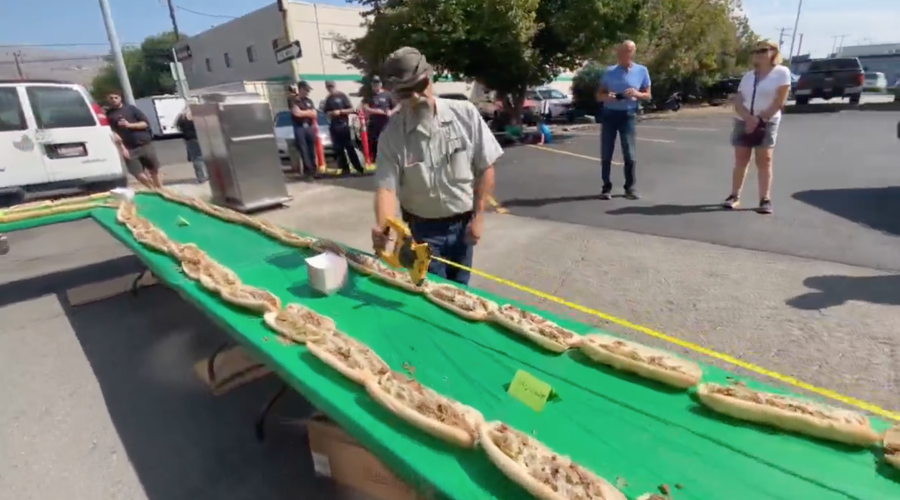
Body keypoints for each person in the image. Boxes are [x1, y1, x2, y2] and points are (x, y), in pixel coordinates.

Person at [370, 47, 502, 286]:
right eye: (406, 92)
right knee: (434, 294)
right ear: (396, 94)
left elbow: (486, 166)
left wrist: (479, 216)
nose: (416, 97)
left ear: (429, 79)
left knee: (462, 292)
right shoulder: (392, 135)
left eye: (419, 87)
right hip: (423, 233)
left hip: (463, 226)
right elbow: (386, 188)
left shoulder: (465, 114)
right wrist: (383, 227)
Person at [724, 40, 791, 215]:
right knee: (741, 159)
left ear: (773, 52)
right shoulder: (748, 76)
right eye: (755, 51)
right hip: (743, 120)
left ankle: (765, 199)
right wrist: (747, 117)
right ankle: (734, 196)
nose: (758, 54)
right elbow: (738, 99)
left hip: (767, 121)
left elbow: (779, 101)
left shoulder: (781, 73)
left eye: (763, 50)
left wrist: (759, 119)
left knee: (764, 160)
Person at [596, 40, 651, 200]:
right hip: (609, 114)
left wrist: (636, 93)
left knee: (629, 153)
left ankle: (630, 188)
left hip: (628, 115)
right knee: (606, 152)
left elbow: (647, 94)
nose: (623, 54)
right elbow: (599, 95)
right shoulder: (609, 71)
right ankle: (606, 187)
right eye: (621, 51)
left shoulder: (642, 71)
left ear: (632, 53)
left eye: (627, 51)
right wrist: (608, 97)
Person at [106, 91, 162, 189]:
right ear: (108, 100)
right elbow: (113, 133)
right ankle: (152, 189)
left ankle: (160, 188)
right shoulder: (109, 115)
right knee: (137, 173)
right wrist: (122, 149)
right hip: (129, 148)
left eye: (116, 97)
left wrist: (129, 125)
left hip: (144, 144)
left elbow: (145, 123)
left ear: (120, 98)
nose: (114, 100)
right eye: (111, 98)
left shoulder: (131, 109)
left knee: (154, 169)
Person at [322, 80, 365, 175]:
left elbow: (351, 109)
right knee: (338, 149)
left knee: (350, 147)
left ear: (335, 86)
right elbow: (326, 112)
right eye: (328, 87)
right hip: (334, 126)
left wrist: (340, 112)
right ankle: (345, 169)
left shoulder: (342, 96)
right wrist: (331, 113)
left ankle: (358, 168)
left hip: (344, 125)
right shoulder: (328, 99)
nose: (330, 88)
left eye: (331, 86)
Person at [361, 76, 399, 161]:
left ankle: (390, 160)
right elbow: (365, 108)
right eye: (374, 84)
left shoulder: (388, 94)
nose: (376, 86)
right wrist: (378, 111)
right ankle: (375, 160)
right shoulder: (370, 96)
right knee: (374, 142)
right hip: (374, 124)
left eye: (377, 84)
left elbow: (397, 106)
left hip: (387, 123)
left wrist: (391, 112)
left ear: (381, 84)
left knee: (388, 142)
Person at [288, 82, 318, 177]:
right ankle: (308, 171)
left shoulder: (308, 101)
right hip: (299, 127)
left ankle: (314, 169)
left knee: (311, 149)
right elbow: (296, 113)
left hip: (309, 127)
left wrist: (304, 112)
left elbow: (314, 114)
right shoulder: (293, 100)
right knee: (303, 149)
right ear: (300, 89)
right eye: (306, 90)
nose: (307, 92)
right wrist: (308, 112)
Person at [174, 104, 207, 184]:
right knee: (208, 157)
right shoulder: (198, 115)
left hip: (190, 139)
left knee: (196, 159)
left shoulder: (182, 117)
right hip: (202, 137)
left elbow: (178, 127)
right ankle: (211, 175)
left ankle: (201, 177)